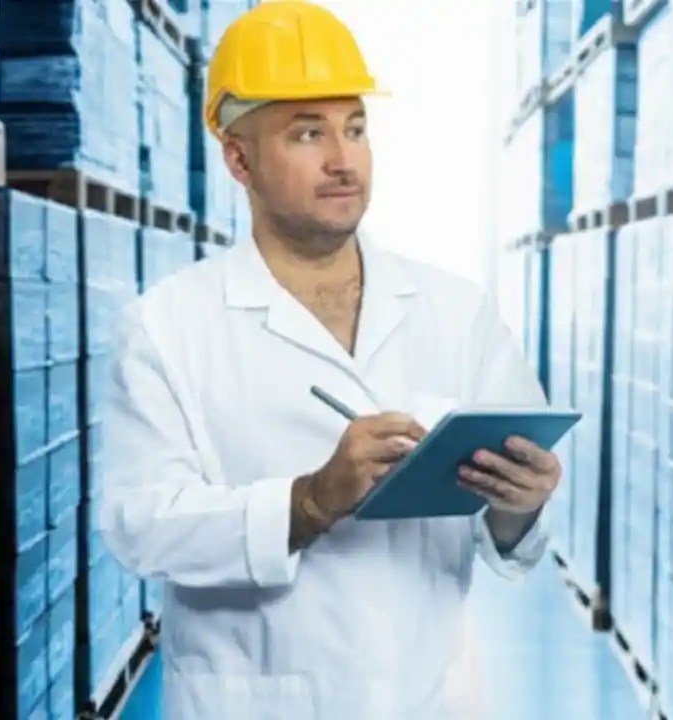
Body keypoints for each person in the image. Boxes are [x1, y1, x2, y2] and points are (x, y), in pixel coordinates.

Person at [96, 2, 561, 718]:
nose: (344, 160)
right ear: (239, 159)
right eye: (308, 133)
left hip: (425, 698)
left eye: (355, 128)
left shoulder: (455, 311)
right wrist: (308, 501)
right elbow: (141, 525)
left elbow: (508, 534)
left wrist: (519, 505)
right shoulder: (168, 326)